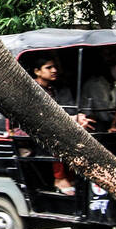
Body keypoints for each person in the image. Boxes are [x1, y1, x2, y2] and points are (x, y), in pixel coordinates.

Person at [31, 54, 93, 194]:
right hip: (37, 132)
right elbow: (43, 117)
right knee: (57, 140)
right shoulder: (32, 90)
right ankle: (59, 178)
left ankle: (72, 176)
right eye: (49, 68)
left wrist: (79, 117)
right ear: (37, 72)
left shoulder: (54, 89)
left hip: (56, 128)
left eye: (54, 67)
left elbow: (64, 110)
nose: (54, 70)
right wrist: (72, 119)